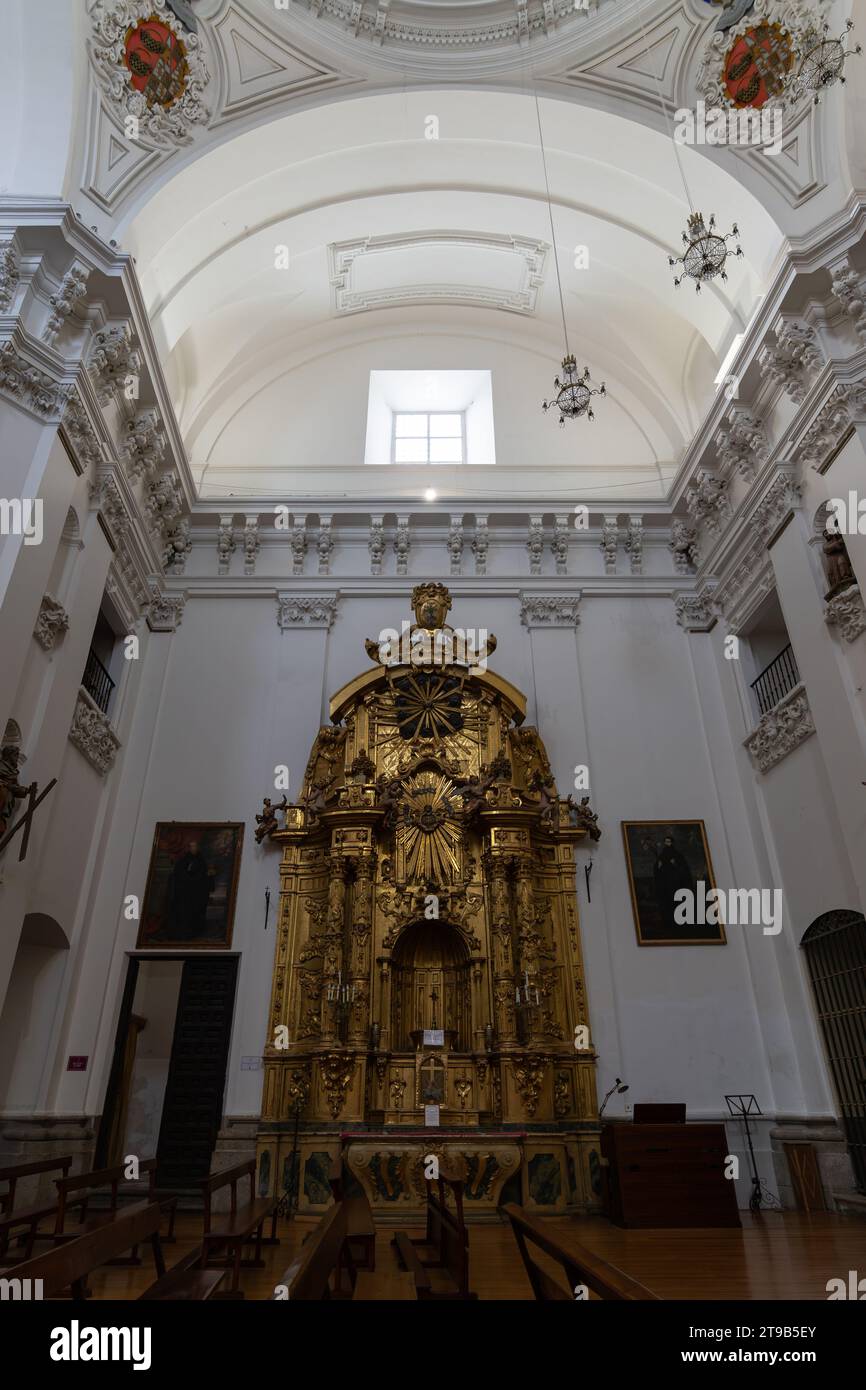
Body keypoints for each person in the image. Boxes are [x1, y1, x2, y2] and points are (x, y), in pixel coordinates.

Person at [167, 838, 213, 938]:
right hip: (186, 892)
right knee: (185, 912)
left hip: (198, 891)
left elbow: (205, 874)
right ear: (189, 848)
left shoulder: (202, 860)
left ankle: (196, 931)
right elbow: (179, 874)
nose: (194, 848)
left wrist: (207, 876)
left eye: (195, 846)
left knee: (197, 911)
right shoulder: (183, 861)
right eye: (192, 846)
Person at [653, 835, 694, 934]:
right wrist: (658, 867)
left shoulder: (677, 855)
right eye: (666, 842)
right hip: (665, 885)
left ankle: (678, 925)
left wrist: (675, 864)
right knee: (666, 904)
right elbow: (657, 869)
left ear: (672, 843)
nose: (667, 844)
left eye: (669, 842)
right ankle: (667, 924)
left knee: (675, 904)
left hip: (675, 885)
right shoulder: (661, 855)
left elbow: (683, 869)